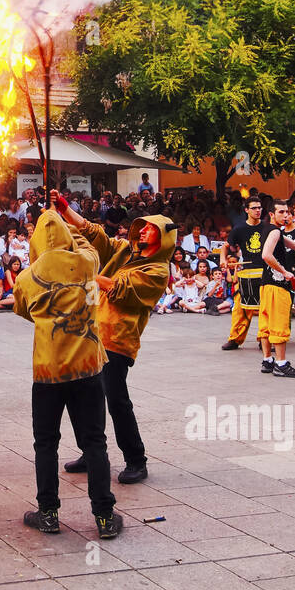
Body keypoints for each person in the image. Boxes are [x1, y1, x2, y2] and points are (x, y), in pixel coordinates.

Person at [13, 208, 124, 539]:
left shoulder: (26, 277)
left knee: (45, 444)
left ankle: (48, 513)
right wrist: (65, 223)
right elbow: (88, 244)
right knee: (95, 443)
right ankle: (104, 515)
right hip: (88, 367)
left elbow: (23, 310)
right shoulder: (88, 263)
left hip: (47, 370)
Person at [52, 191, 175, 483]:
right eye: (142, 226)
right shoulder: (122, 250)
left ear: (163, 239)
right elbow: (95, 234)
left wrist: (83, 273)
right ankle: (91, 451)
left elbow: (119, 288)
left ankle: (136, 459)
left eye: (150, 229)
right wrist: (65, 210)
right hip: (89, 330)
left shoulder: (157, 270)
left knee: (116, 399)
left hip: (117, 341)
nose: (143, 230)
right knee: (81, 396)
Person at [257, 200, 295, 378]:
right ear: (271, 214)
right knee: (279, 323)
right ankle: (281, 363)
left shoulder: (269, 230)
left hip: (266, 284)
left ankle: (268, 360)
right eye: (281, 212)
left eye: (287, 212)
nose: (286, 215)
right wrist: (284, 271)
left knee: (267, 324)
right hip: (277, 285)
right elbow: (266, 255)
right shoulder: (275, 231)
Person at [221, 196, 266, 350]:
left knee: (264, 309)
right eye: (254, 208)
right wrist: (223, 259)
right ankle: (235, 339)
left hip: (265, 272)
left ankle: (264, 339)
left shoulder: (267, 227)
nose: (258, 210)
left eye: (259, 207)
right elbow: (226, 247)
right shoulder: (239, 229)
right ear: (246, 210)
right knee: (240, 308)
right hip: (247, 273)